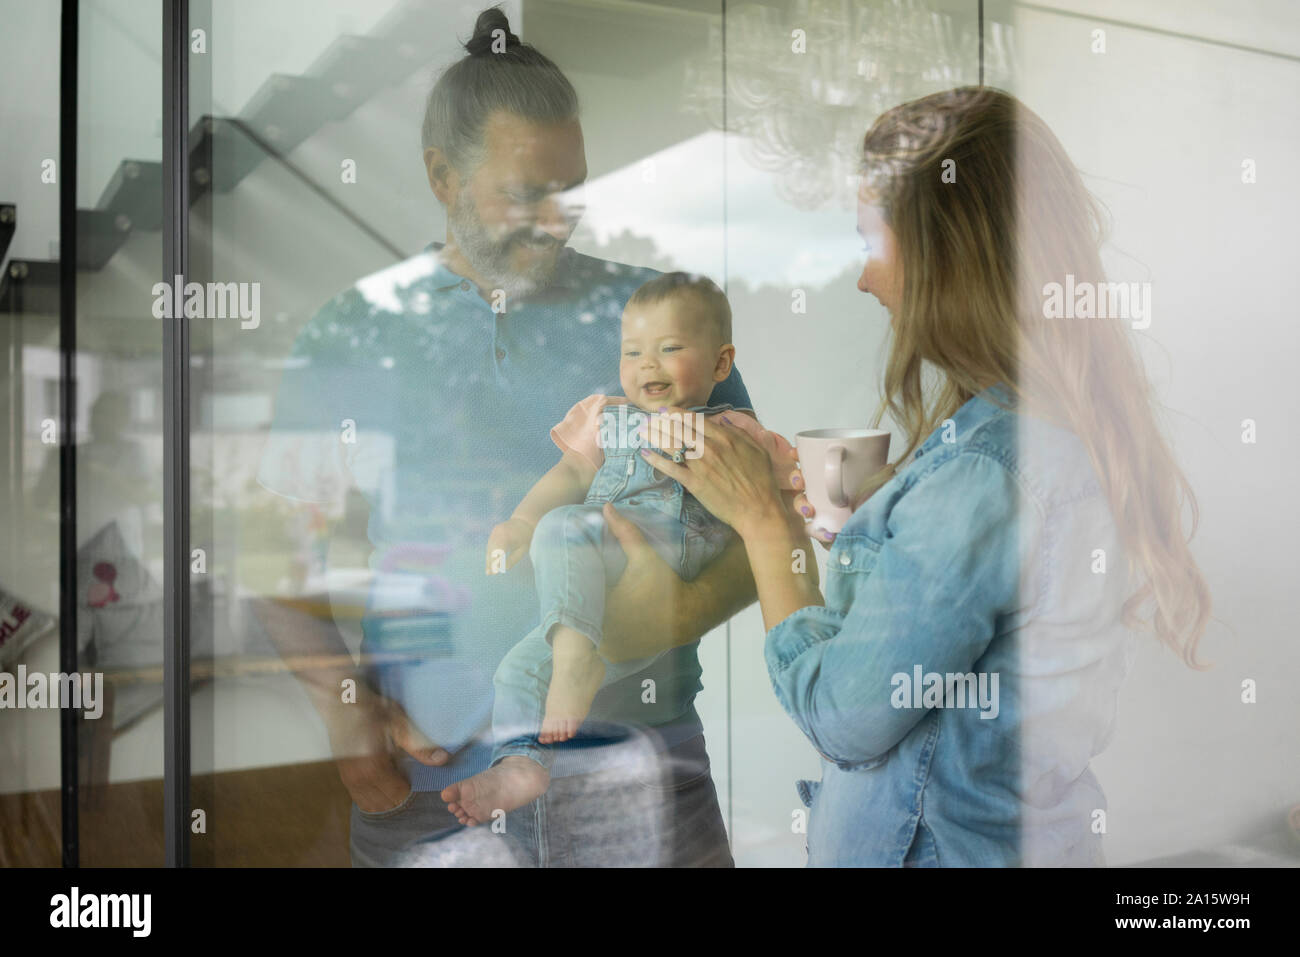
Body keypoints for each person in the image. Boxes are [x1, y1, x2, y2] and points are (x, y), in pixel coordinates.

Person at [254, 8, 786, 867]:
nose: (555, 220)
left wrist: (666, 610)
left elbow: (764, 529)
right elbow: (274, 548)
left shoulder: (663, 318)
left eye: (570, 190)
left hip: (644, 785)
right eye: (525, 193)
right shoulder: (354, 330)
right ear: (442, 177)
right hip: (430, 799)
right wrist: (345, 702)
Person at [638, 86, 1211, 866]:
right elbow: (964, 609)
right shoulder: (1040, 439)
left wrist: (766, 527)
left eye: (871, 241)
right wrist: (853, 516)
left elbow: (843, 713)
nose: (865, 279)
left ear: (943, 248)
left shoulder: (983, 470)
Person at [443, 273, 789, 825]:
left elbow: (786, 502)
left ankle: (576, 659)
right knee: (515, 670)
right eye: (633, 352)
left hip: (672, 567)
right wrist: (521, 520)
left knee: (565, 528)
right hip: (601, 582)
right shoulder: (607, 417)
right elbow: (573, 469)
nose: (647, 365)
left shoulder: (734, 430)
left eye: (670, 349)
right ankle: (520, 763)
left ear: (721, 364)